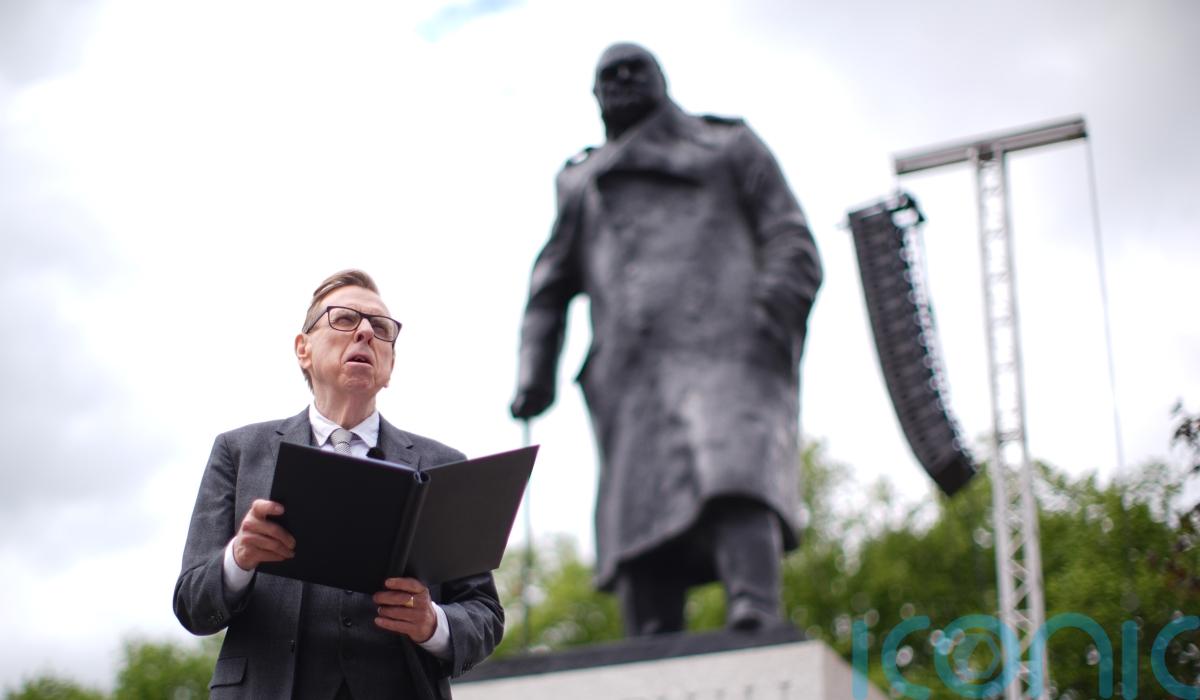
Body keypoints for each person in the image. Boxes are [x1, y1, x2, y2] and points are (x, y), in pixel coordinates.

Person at [510, 43, 822, 636]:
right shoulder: (580, 180)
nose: (623, 80)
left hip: (729, 348)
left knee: (734, 473)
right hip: (632, 372)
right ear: (594, 94)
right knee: (639, 509)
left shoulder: (729, 145)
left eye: (637, 69)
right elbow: (548, 285)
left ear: (664, 78)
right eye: (609, 74)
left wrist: (767, 321)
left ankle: (753, 605)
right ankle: (650, 635)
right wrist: (535, 372)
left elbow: (792, 240)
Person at [175, 270, 503, 699]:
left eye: (381, 328)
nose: (366, 332)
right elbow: (192, 604)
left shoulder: (444, 466)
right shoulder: (238, 452)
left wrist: (432, 624)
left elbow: (485, 615)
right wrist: (239, 558)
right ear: (303, 349)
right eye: (345, 319)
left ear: (390, 366)